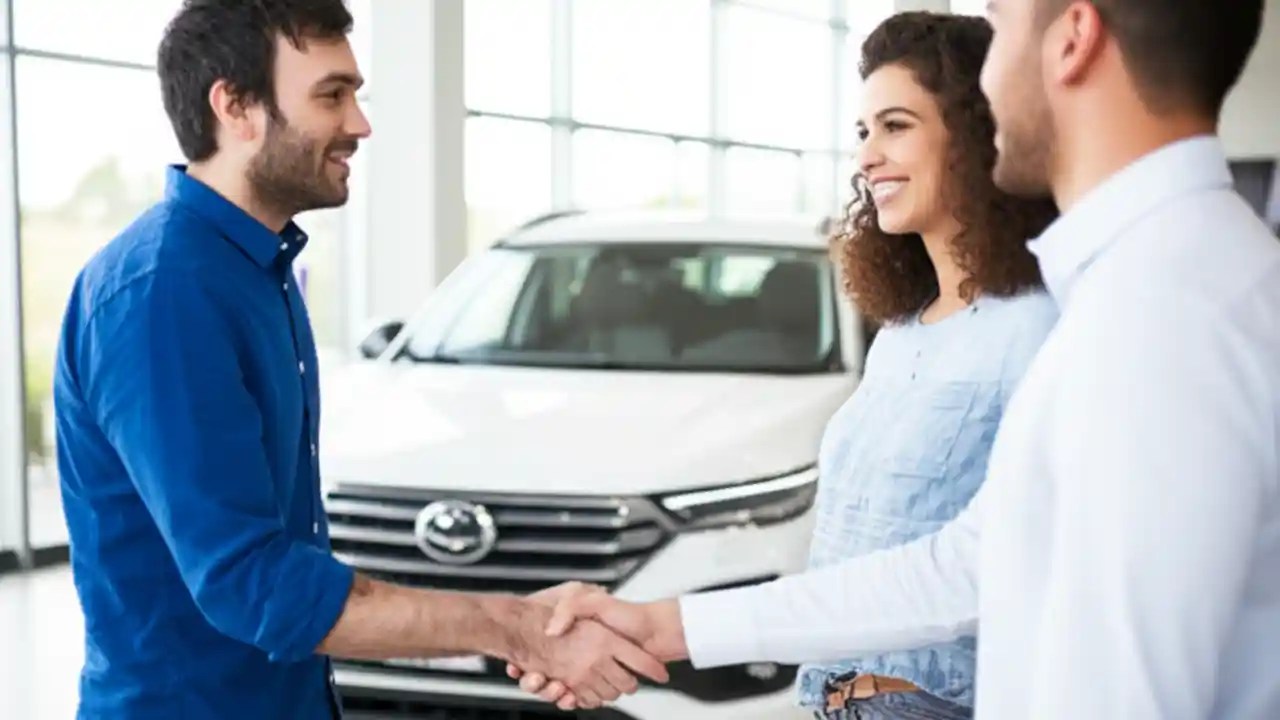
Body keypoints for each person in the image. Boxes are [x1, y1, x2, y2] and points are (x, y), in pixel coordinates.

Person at [512, 1, 1280, 718]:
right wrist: (662, 626)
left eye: (999, 18)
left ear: (1072, 37)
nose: (988, 66)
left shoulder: (1159, 315)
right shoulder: (1164, 283)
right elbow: (965, 566)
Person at [51, 2, 664, 718]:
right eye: (330, 95)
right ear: (236, 106)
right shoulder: (163, 295)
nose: (359, 124)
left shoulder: (254, 270)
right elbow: (257, 585)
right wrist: (520, 629)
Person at [513, 12, 1060, 719]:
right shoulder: (900, 334)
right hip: (835, 702)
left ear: (975, 134)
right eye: (863, 133)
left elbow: (976, 572)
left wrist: (665, 626)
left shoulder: (1040, 327)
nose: (867, 157)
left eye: (896, 126)